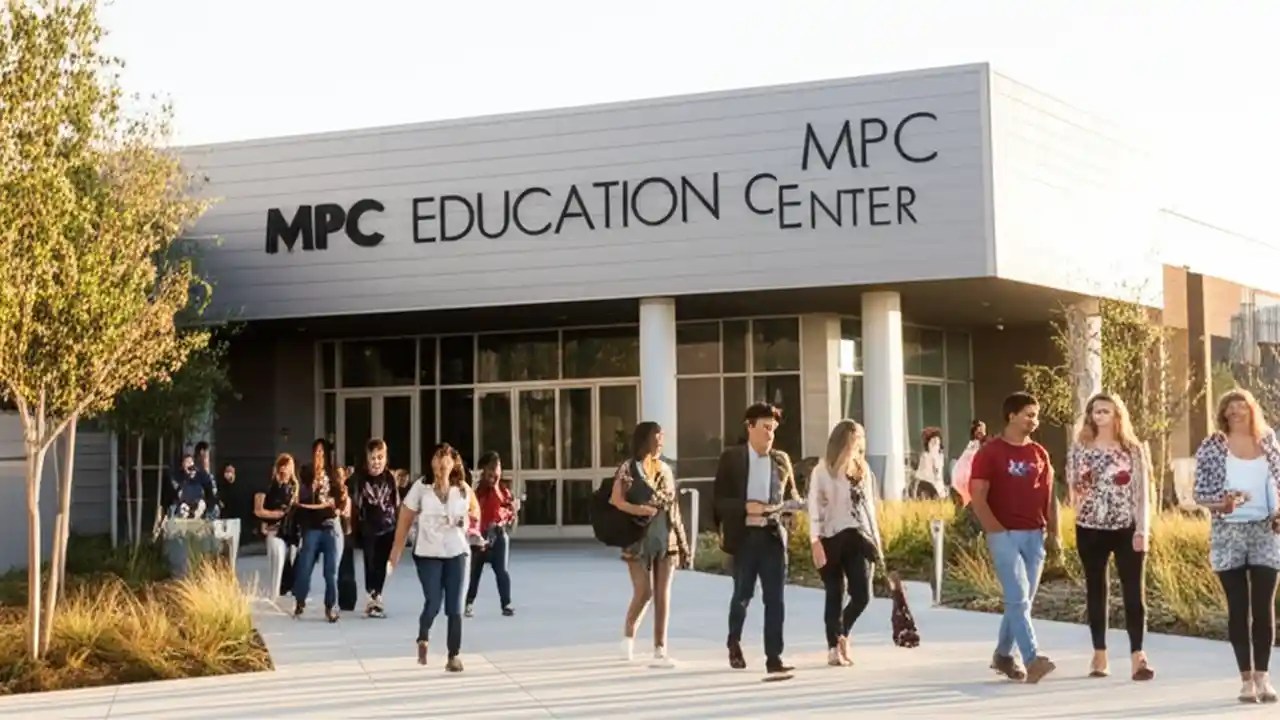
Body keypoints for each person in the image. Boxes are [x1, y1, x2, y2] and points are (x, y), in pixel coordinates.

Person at [1193, 388, 1280, 704]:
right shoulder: (1213, 446)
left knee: (1264, 607)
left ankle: (1263, 677)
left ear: (1252, 409)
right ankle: (1246, 680)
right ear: (1223, 414)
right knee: (1238, 608)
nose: (1235, 412)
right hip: (1228, 532)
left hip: (1265, 531)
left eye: (1241, 406)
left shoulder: (1268, 442)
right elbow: (1199, 493)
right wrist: (1222, 504)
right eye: (1229, 408)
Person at [969, 391, 1059, 684]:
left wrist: (1054, 533)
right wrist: (996, 531)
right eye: (1029, 415)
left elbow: (1050, 496)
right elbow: (977, 494)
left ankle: (1003, 655)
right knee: (1018, 598)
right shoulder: (990, 452)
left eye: (1036, 415)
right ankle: (1032, 658)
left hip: (1035, 535)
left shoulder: (1039, 453)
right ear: (1012, 416)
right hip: (1004, 535)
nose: (1035, 421)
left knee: (1021, 602)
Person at [1066, 393, 1154, 681]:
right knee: (1096, 589)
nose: (1100, 415)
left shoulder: (1132, 449)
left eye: (1105, 410)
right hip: (1090, 526)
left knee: (1133, 591)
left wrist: (1142, 529)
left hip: (1126, 526)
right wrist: (1081, 490)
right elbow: (1072, 488)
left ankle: (1138, 655)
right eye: (1095, 411)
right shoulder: (1080, 448)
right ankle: (1099, 654)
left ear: (1117, 415)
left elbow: (1142, 492)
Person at [713, 402, 803, 680]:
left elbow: (791, 494)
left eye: (773, 428)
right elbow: (718, 501)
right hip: (745, 537)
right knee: (743, 594)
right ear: (750, 427)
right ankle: (734, 641)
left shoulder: (781, 460)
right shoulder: (732, 459)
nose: (770, 434)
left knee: (775, 599)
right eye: (765, 427)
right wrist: (744, 508)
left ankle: (774, 657)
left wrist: (793, 510)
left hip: (773, 535)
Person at [389, 443, 479, 672]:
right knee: (434, 602)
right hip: (428, 553)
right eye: (437, 457)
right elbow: (405, 519)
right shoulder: (421, 487)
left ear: (453, 462)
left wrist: (467, 521)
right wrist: (396, 552)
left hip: (457, 551)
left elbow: (475, 513)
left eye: (445, 457)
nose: (441, 462)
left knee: (455, 607)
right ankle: (423, 635)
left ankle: (453, 655)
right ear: (431, 462)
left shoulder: (462, 489)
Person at [610, 422, 691, 668]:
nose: (660, 441)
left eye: (662, 437)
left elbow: (674, 507)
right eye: (657, 437)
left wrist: (684, 542)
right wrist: (640, 509)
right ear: (645, 439)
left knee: (663, 594)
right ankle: (628, 636)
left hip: (666, 536)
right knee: (644, 591)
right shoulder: (628, 468)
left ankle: (660, 648)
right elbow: (616, 500)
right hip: (637, 537)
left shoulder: (665, 468)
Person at [808, 419, 884, 667]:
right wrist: (815, 542)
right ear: (843, 442)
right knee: (834, 593)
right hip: (830, 538)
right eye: (855, 440)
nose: (859, 445)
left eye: (861, 440)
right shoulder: (822, 471)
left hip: (857, 538)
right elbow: (814, 509)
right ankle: (834, 648)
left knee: (862, 595)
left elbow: (870, 509)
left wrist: (877, 543)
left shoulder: (862, 470)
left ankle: (842, 633)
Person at [293, 438, 343, 623]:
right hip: (312, 526)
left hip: (330, 525)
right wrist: (311, 487)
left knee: (331, 570)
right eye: (316, 451)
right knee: (305, 566)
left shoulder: (333, 474)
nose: (319, 455)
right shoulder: (306, 472)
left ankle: (331, 606)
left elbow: (340, 497)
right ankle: (300, 600)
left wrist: (338, 506)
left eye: (322, 452)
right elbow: (300, 499)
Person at [465, 451, 519, 618]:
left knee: (502, 571)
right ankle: (468, 602)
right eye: (490, 469)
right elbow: (471, 512)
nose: (494, 473)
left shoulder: (504, 492)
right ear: (483, 471)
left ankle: (506, 603)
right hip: (480, 537)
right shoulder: (477, 493)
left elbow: (510, 513)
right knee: (475, 572)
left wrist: (509, 515)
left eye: (497, 469)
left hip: (498, 536)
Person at [353, 439, 400, 618]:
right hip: (368, 527)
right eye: (373, 458)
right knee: (370, 562)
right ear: (367, 459)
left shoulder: (390, 478)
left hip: (387, 526)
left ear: (385, 459)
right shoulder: (361, 478)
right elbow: (356, 503)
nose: (376, 462)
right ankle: (371, 595)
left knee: (382, 563)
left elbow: (396, 502)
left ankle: (377, 595)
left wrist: (398, 526)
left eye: (380, 458)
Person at [255, 454, 298, 606]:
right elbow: (258, 509)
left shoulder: (293, 487)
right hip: (274, 529)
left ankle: (284, 592)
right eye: (283, 466)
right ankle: (274, 595)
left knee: (289, 563)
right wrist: (274, 515)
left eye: (288, 467)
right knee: (276, 562)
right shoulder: (270, 486)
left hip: (290, 531)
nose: (285, 470)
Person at [951, 420, 987, 507]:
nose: (983, 433)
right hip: (966, 476)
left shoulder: (973, 445)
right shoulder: (975, 446)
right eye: (981, 431)